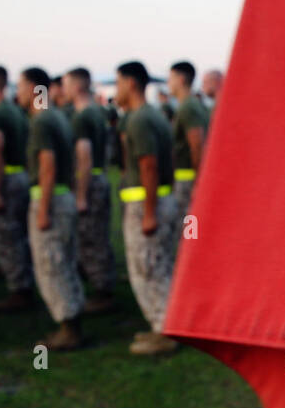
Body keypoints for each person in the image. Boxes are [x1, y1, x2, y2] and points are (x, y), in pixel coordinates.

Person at [17, 66, 84, 350]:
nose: (17, 93)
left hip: (51, 199)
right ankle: (72, 318)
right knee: (64, 261)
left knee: (51, 264)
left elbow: (47, 165)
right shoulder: (56, 115)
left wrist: (43, 209)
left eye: (20, 86)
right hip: (62, 197)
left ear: (34, 89)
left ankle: (68, 327)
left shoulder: (42, 121)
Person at [115, 60, 178, 355]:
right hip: (160, 199)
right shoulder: (154, 115)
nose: (116, 90)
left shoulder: (140, 119)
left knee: (148, 269)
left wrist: (150, 211)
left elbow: (148, 165)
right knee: (161, 266)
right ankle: (164, 325)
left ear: (130, 83)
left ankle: (164, 331)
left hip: (146, 203)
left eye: (117, 83)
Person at [0, 65, 35, 312]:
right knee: (21, 235)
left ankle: (19, 289)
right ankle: (26, 282)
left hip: (8, 180)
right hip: (22, 177)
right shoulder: (16, 111)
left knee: (7, 235)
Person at [65, 67, 115, 313]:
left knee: (90, 239)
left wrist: (81, 195)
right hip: (99, 180)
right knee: (99, 237)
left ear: (76, 86)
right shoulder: (96, 112)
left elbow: (83, 157)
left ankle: (102, 291)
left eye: (65, 84)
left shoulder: (82, 117)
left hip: (89, 183)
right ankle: (104, 284)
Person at [167, 61, 208, 226]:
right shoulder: (190, 105)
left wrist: (198, 183)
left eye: (171, 78)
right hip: (188, 180)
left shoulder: (188, 107)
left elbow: (197, 144)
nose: (168, 83)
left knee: (190, 231)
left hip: (188, 181)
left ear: (181, 79)